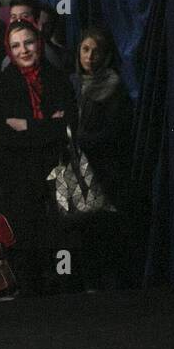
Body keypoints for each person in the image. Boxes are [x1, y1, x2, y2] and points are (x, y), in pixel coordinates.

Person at [0, 19, 76, 296]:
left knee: (61, 232)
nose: (23, 50)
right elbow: (0, 133)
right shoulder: (1, 84)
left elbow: (68, 126)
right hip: (17, 178)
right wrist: (48, 126)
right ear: (8, 50)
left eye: (28, 42)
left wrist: (27, 126)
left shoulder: (58, 79)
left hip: (56, 173)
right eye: (16, 45)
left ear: (39, 43)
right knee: (23, 237)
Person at [69, 26, 135, 290]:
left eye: (96, 51)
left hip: (105, 167)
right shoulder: (73, 83)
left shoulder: (113, 86)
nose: (90, 56)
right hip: (77, 169)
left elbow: (115, 130)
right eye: (85, 49)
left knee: (106, 226)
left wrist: (81, 142)